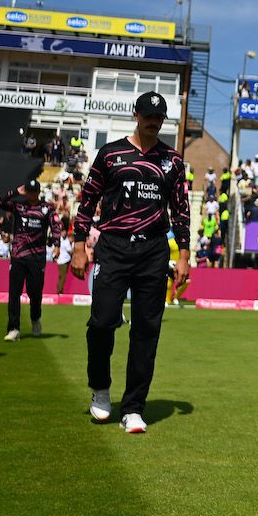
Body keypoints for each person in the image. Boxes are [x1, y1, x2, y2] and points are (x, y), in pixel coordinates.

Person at [70, 92, 191, 434]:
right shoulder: (110, 154)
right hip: (113, 247)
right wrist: (79, 247)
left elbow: (181, 211)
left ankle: (134, 406)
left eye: (159, 116)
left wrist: (183, 256)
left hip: (154, 252)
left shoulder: (173, 161)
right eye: (148, 114)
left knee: (147, 331)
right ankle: (101, 388)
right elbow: (87, 201)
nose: (153, 120)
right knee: (102, 323)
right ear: (136, 115)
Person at [0, 178, 58, 340]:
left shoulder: (47, 208)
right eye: (29, 191)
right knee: (14, 293)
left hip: (37, 257)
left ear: (38, 192)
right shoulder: (19, 206)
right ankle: (13, 328)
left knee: (35, 292)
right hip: (18, 256)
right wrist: (16, 191)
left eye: (34, 191)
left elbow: (55, 226)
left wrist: (57, 244)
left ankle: (35, 318)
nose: (31, 194)